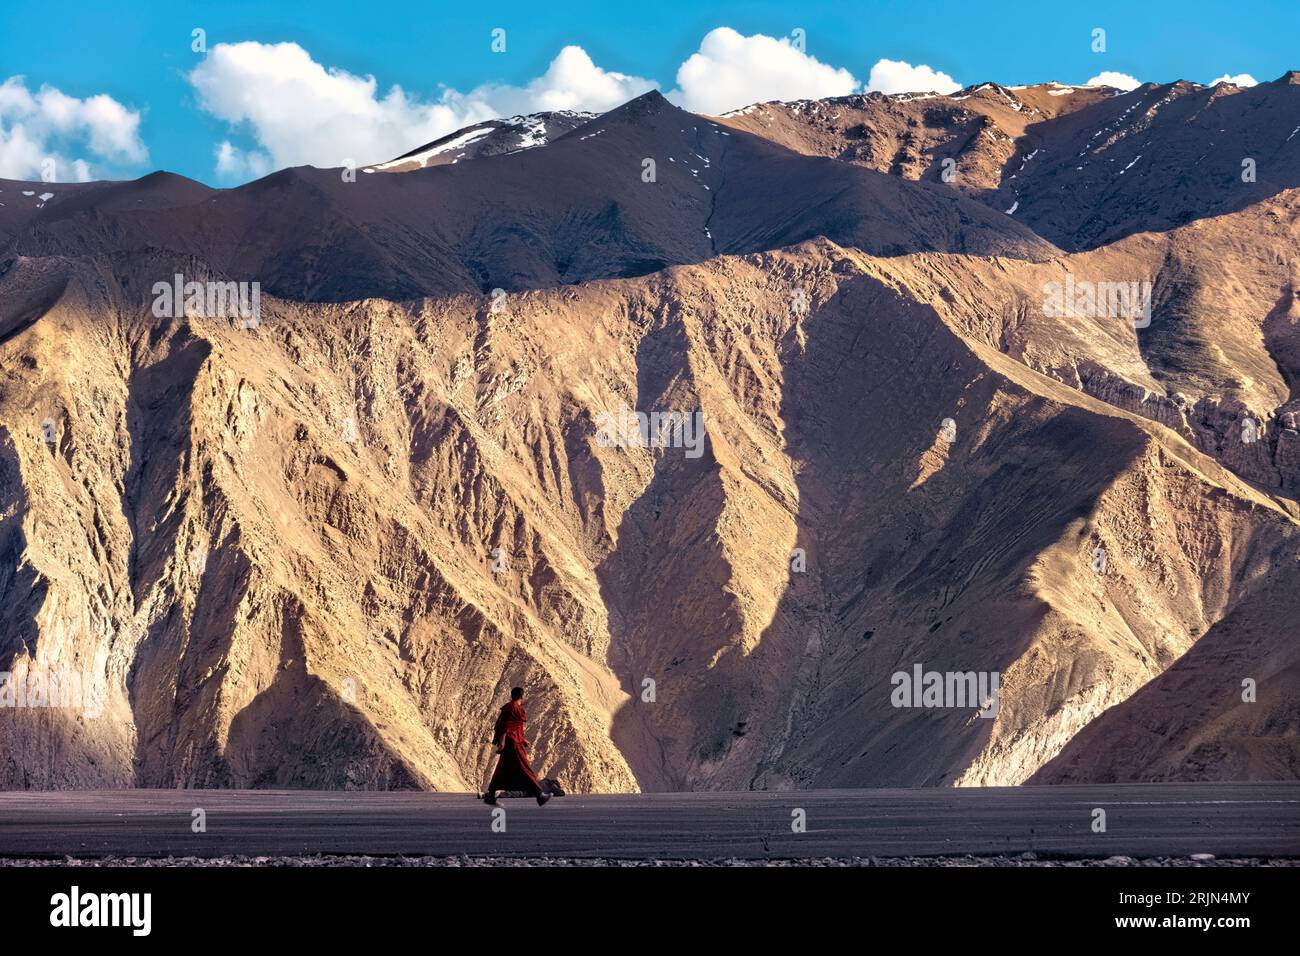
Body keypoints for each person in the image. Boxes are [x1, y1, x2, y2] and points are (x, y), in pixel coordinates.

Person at [483, 687, 550, 806]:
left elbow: (514, 727)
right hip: (513, 744)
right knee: (525, 768)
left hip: (514, 741)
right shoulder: (514, 708)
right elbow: (505, 727)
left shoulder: (509, 707)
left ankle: (491, 795)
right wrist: (502, 743)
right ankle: (539, 795)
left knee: (502, 769)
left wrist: (523, 739)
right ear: (522, 696)